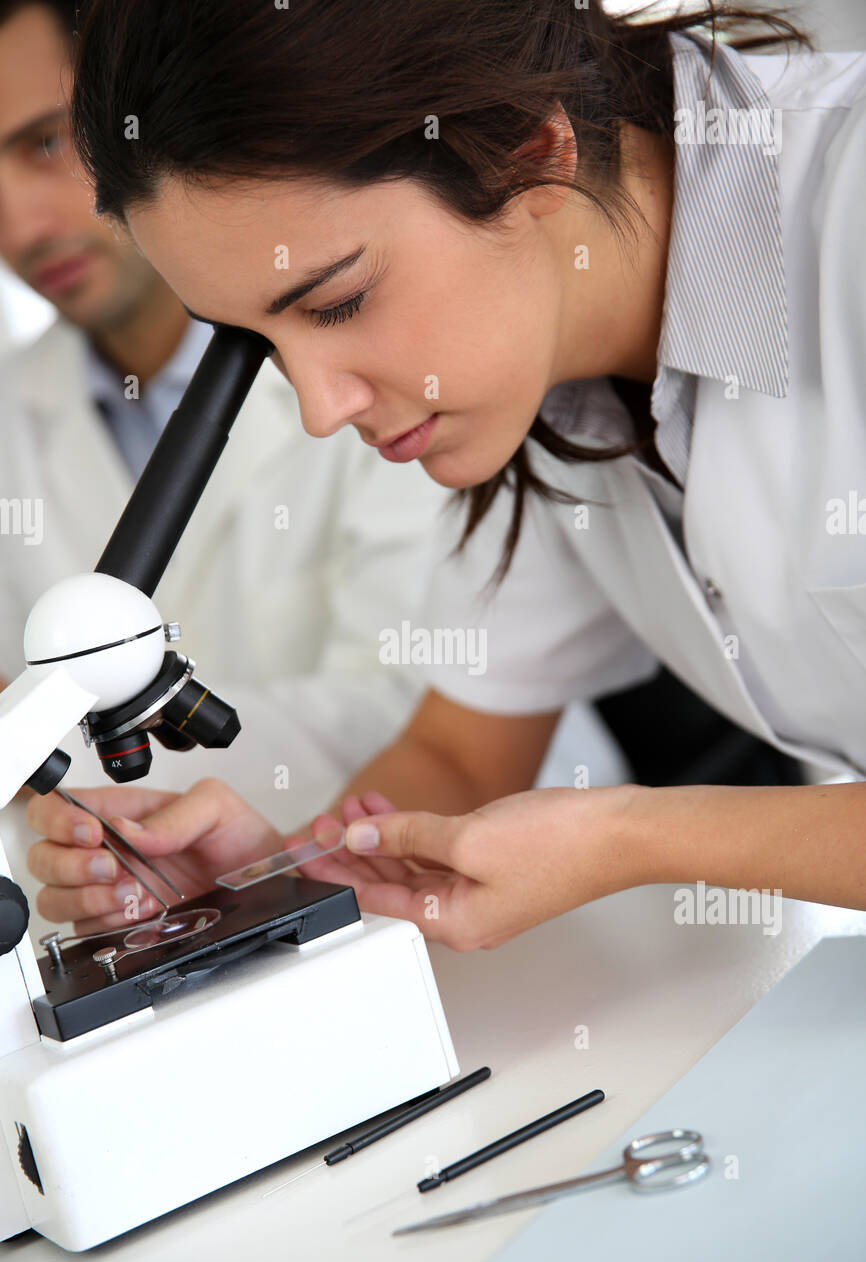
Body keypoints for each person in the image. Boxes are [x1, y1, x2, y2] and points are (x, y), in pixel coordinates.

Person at [27, 0, 866, 946]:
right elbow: (461, 759)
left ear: (529, 150)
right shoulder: (542, 370)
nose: (319, 410)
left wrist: (631, 838)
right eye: (259, 345)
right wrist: (272, 886)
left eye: (338, 303)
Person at [0, 0, 446, 892]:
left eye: (45, 143)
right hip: (193, 916)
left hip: (509, 914)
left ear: (144, 112)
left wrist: (52, 768)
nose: (19, 229)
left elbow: (420, 703)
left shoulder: (383, 340)